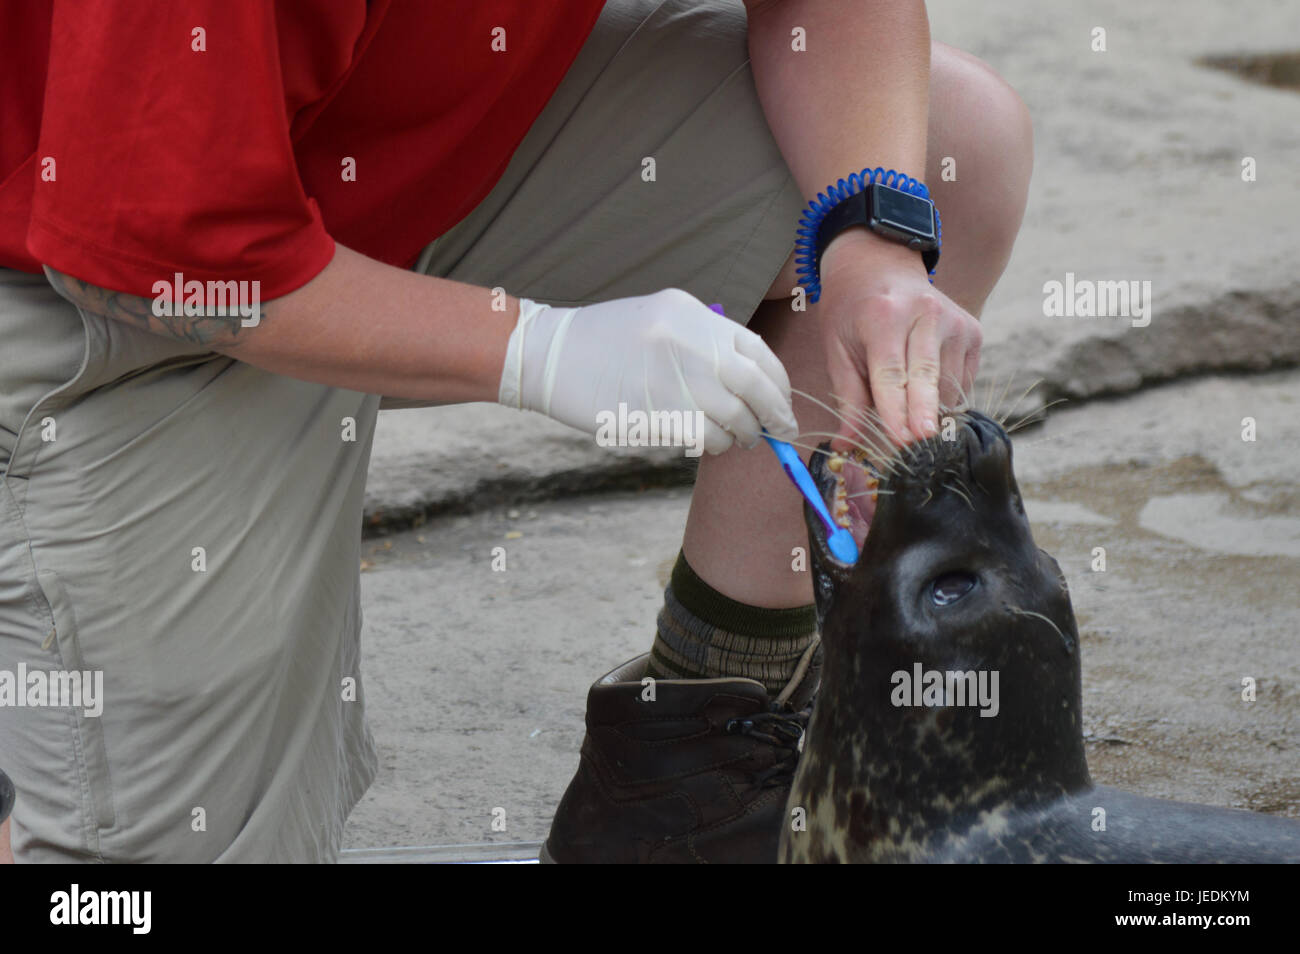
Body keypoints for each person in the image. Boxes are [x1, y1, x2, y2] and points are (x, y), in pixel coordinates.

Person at [0, 0, 1031, 863]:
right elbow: (149, 249)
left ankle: (682, 787)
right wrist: (534, 350)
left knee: (945, 145)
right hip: (98, 277)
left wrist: (866, 240)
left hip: (373, 159)